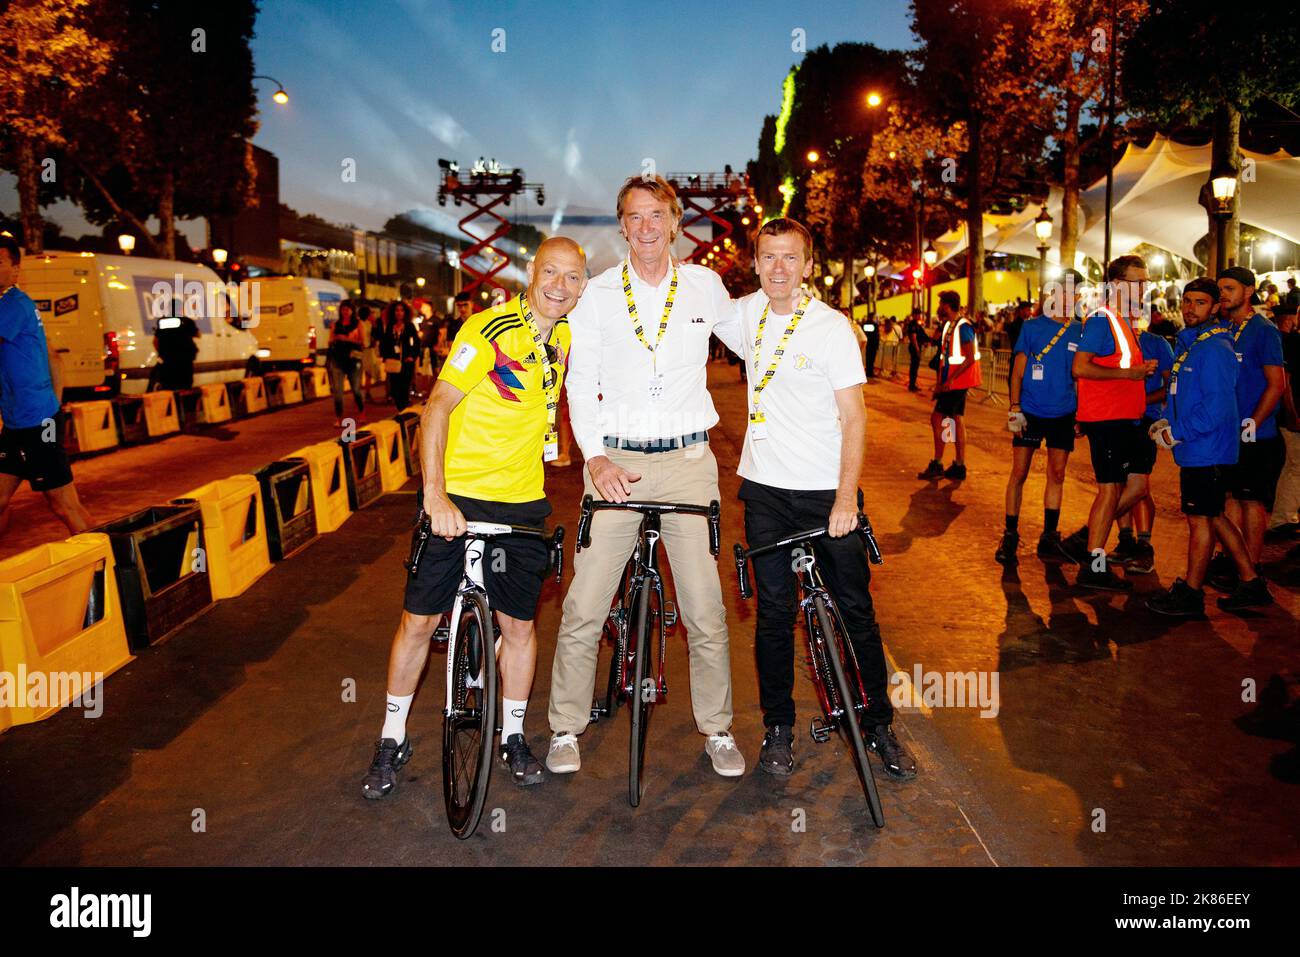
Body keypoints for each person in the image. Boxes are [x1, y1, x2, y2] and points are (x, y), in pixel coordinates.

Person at [360, 237, 586, 798]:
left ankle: (511, 735)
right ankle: (390, 736)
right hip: (457, 496)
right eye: (551, 272)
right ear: (532, 274)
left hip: (522, 503)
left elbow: (540, 406)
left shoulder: (563, 338)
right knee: (419, 621)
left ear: (583, 285)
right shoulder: (487, 330)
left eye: (573, 277)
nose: (560, 285)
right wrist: (435, 494)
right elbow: (437, 407)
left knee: (519, 625)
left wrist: (557, 441)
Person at [546, 174, 746, 778]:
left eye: (656, 214)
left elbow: (754, 340)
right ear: (623, 226)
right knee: (583, 604)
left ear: (675, 220)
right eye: (633, 217)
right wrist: (595, 458)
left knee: (705, 609)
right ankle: (564, 727)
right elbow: (579, 385)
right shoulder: (599, 295)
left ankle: (717, 728)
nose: (645, 227)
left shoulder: (706, 287)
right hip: (617, 466)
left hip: (688, 464)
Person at [736, 219, 915, 779]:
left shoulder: (831, 327)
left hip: (825, 493)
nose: (780, 269)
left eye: (791, 258)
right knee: (774, 616)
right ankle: (778, 728)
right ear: (756, 263)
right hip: (764, 490)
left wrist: (845, 500)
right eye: (769, 257)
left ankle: (879, 725)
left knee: (857, 609)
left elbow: (854, 417)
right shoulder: (743, 315)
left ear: (808, 266)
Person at [1146, 278, 1272, 616]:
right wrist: (1166, 421)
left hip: (1208, 449)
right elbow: (1186, 395)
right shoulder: (1194, 344)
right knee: (1211, 516)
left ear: (1215, 307)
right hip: (1200, 448)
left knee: (1200, 519)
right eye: (1187, 301)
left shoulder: (1214, 349)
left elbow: (1217, 407)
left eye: (1200, 302)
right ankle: (1250, 580)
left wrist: (1178, 433)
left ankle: (1191, 593)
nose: (1190, 308)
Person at [1057, 254, 1159, 590]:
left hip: (1124, 417)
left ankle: (1088, 542)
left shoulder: (1122, 320)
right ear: (1117, 285)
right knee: (1111, 489)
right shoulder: (1102, 320)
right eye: (1137, 282)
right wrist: (1130, 373)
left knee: (1136, 487)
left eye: (1146, 281)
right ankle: (1094, 564)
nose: (1144, 288)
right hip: (1107, 418)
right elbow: (1080, 367)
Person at [0, 235, 94, 540]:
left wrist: (47, 415)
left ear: (15, 269)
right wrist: (55, 406)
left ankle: (113, 568)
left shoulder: (13, 303)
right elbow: (54, 357)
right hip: (22, 421)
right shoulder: (14, 304)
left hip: (35, 423)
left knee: (64, 505)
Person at [1204, 267, 1287, 591]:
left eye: (1229, 288)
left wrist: (1254, 420)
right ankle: (1234, 562)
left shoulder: (1264, 331)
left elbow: (1276, 384)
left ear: (1248, 291)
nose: (1223, 294)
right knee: (1229, 499)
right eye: (1220, 289)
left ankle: (1251, 568)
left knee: (1251, 501)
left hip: (1257, 434)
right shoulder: (1224, 328)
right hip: (1228, 434)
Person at [997, 269, 1085, 564]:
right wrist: (1014, 406)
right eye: (1061, 292)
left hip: (1063, 412)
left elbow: (1079, 377)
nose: (1066, 298)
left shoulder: (1080, 330)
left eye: (1072, 293)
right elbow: (1018, 370)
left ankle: (1049, 535)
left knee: (1057, 474)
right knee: (1019, 473)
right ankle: (1010, 534)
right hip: (1031, 411)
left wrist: (1080, 413)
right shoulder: (1032, 327)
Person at [1110, 315, 1175, 574]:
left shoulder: (1157, 343)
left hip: (1145, 421)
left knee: (1139, 485)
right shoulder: (1108, 342)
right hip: (1114, 421)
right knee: (1116, 483)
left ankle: (1144, 545)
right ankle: (1125, 540)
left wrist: (1142, 401)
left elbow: (1171, 385)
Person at [918, 290, 979, 481]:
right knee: (952, 420)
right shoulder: (950, 326)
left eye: (941, 303)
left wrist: (951, 380)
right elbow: (944, 358)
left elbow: (969, 358)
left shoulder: (962, 327)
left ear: (947, 305)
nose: (939, 307)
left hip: (956, 383)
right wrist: (939, 382)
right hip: (951, 383)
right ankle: (958, 464)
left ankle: (940, 462)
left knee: (940, 419)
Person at [1268, 303, 1300, 531]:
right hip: (1292, 416)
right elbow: (1285, 381)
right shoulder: (1291, 342)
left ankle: (1284, 516)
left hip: (1287, 414)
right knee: (1295, 467)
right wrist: (1291, 412)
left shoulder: (1286, 340)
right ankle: (1284, 518)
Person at [327, 301, 366, 426]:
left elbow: (363, 342)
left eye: (348, 309)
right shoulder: (336, 324)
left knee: (356, 389)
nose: (345, 312)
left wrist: (347, 339)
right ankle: (339, 417)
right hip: (338, 359)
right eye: (343, 309)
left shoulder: (358, 324)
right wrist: (335, 338)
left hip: (353, 360)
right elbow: (330, 340)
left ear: (352, 311)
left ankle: (361, 412)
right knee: (338, 391)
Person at [150, 297, 200, 391]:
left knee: (169, 387)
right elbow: (198, 335)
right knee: (184, 387)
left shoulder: (162, 321)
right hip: (184, 362)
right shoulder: (186, 322)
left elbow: (155, 341)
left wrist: (163, 353)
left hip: (168, 362)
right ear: (180, 308)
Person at [380, 301, 421, 410]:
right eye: (397, 310)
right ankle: (401, 411)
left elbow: (416, 343)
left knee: (404, 389)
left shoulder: (409, 326)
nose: (399, 313)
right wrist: (385, 357)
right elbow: (384, 342)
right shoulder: (389, 326)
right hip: (393, 363)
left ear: (405, 312)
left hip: (406, 363)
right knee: (394, 390)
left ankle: (403, 413)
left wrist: (412, 356)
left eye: (402, 310)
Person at [905, 310, 926, 391]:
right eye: (917, 314)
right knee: (914, 366)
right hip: (915, 347)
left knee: (915, 366)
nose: (919, 316)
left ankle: (912, 384)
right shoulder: (913, 324)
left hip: (917, 346)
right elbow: (913, 338)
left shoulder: (917, 324)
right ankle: (912, 385)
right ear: (914, 315)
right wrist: (917, 349)